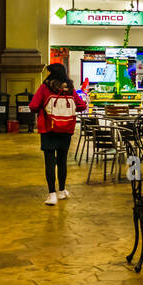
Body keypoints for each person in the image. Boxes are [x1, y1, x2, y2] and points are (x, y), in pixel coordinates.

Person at [29, 62, 87, 206]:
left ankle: (51, 195)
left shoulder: (45, 87)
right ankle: (62, 191)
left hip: (48, 129)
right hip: (66, 129)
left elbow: (33, 106)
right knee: (62, 161)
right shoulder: (70, 89)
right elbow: (82, 106)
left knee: (50, 162)